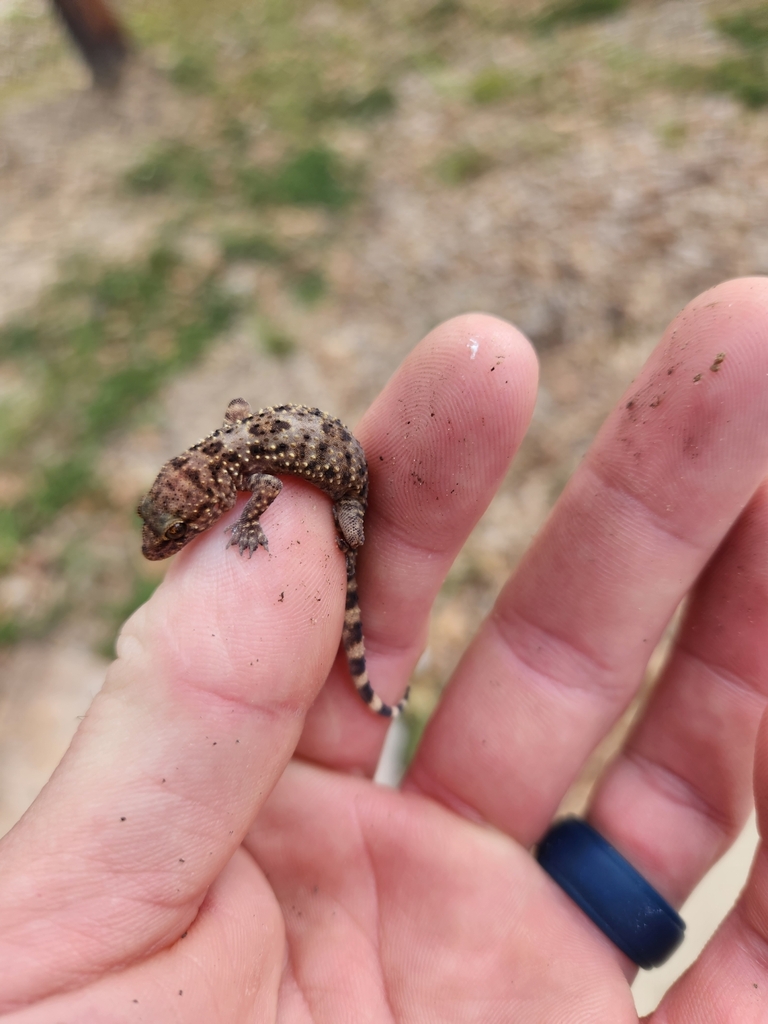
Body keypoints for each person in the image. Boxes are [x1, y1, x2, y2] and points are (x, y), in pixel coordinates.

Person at [1, 277, 767, 1021]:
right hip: (319, 461)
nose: (159, 543)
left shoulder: (251, 484)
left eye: (168, 532)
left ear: (204, 499)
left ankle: (374, 688)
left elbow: (270, 490)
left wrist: (274, 528)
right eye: (159, 526)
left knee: (351, 557)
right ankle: (377, 698)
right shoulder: (236, 455)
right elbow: (244, 422)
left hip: (351, 498)